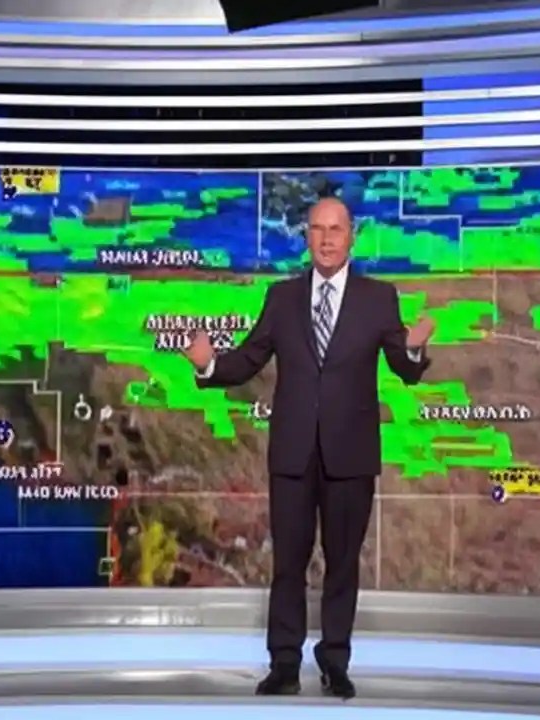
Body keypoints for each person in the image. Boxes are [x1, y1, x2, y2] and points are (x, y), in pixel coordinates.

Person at [184, 196, 435, 699]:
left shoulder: (377, 298)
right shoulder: (281, 298)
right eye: (317, 229)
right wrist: (208, 365)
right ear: (306, 238)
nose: (326, 238)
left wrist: (412, 351)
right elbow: (250, 358)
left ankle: (334, 662)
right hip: (293, 455)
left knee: (342, 565)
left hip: (350, 456)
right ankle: (284, 664)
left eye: (335, 229)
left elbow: (402, 366)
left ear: (352, 236)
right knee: (288, 565)